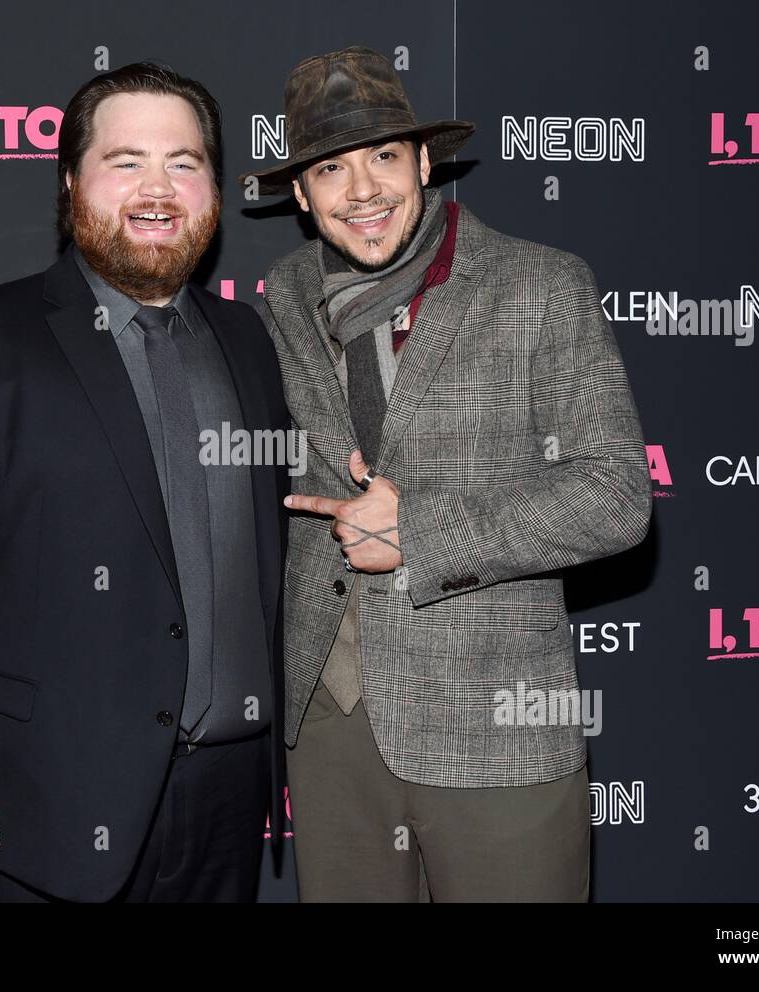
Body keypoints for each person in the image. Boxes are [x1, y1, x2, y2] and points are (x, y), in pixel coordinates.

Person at [0, 61, 289, 903]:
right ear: (70, 184)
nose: (157, 188)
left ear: (214, 188)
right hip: (44, 804)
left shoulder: (249, 337)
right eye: (126, 161)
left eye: (184, 163)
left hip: (230, 800)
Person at [242, 46, 652, 901]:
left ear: (426, 161)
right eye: (330, 169)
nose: (362, 191)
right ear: (304, 197)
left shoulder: (541, 285)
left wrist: (420, 531)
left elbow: (616, 496)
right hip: (331, 725)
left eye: (384, 156)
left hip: (495, 715)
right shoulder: (282, 297)